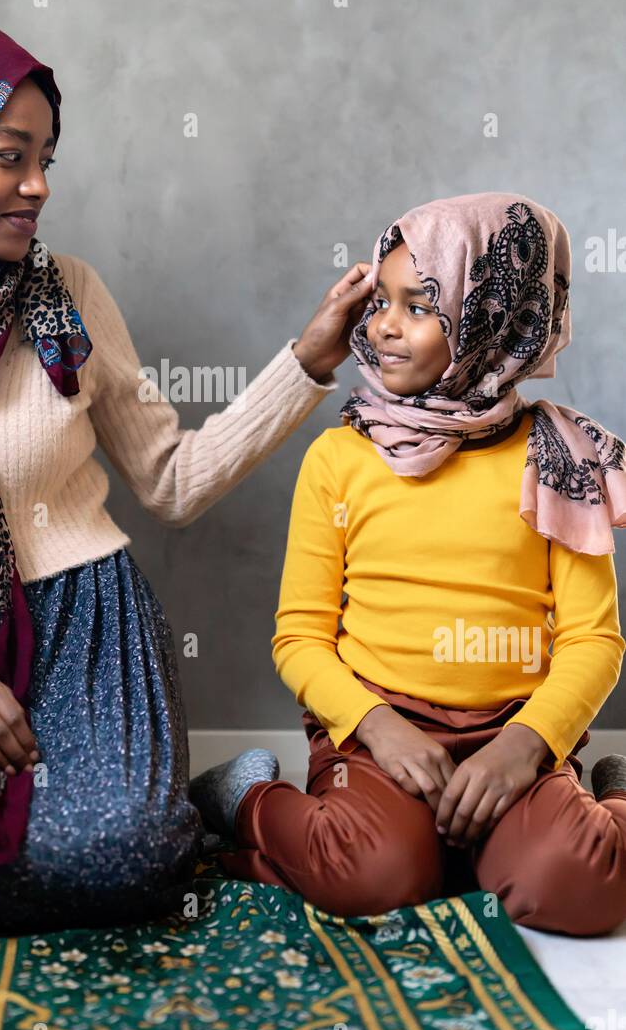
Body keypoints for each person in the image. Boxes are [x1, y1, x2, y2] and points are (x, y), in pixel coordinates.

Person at [0, 9, 376, 935]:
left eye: (46, 155)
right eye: (7, 157)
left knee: (120, 863)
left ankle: (208, 798)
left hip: (87, 629)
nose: (38, 186)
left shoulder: (72, 296)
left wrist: (305, 361)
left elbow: (171, 482)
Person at [192, 192, 626, 937]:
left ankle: (602, 798)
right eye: (380, 301)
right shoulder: (341, 457)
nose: (382, 326)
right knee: (377, 878)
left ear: (495, 317)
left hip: (513, 730)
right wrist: (378, 728)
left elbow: (595, 640)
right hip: (377, 728)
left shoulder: (557, 457)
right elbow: (298, 637)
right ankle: (245, 797)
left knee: (576, 887)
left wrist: (525, 748)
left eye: (418, 306)